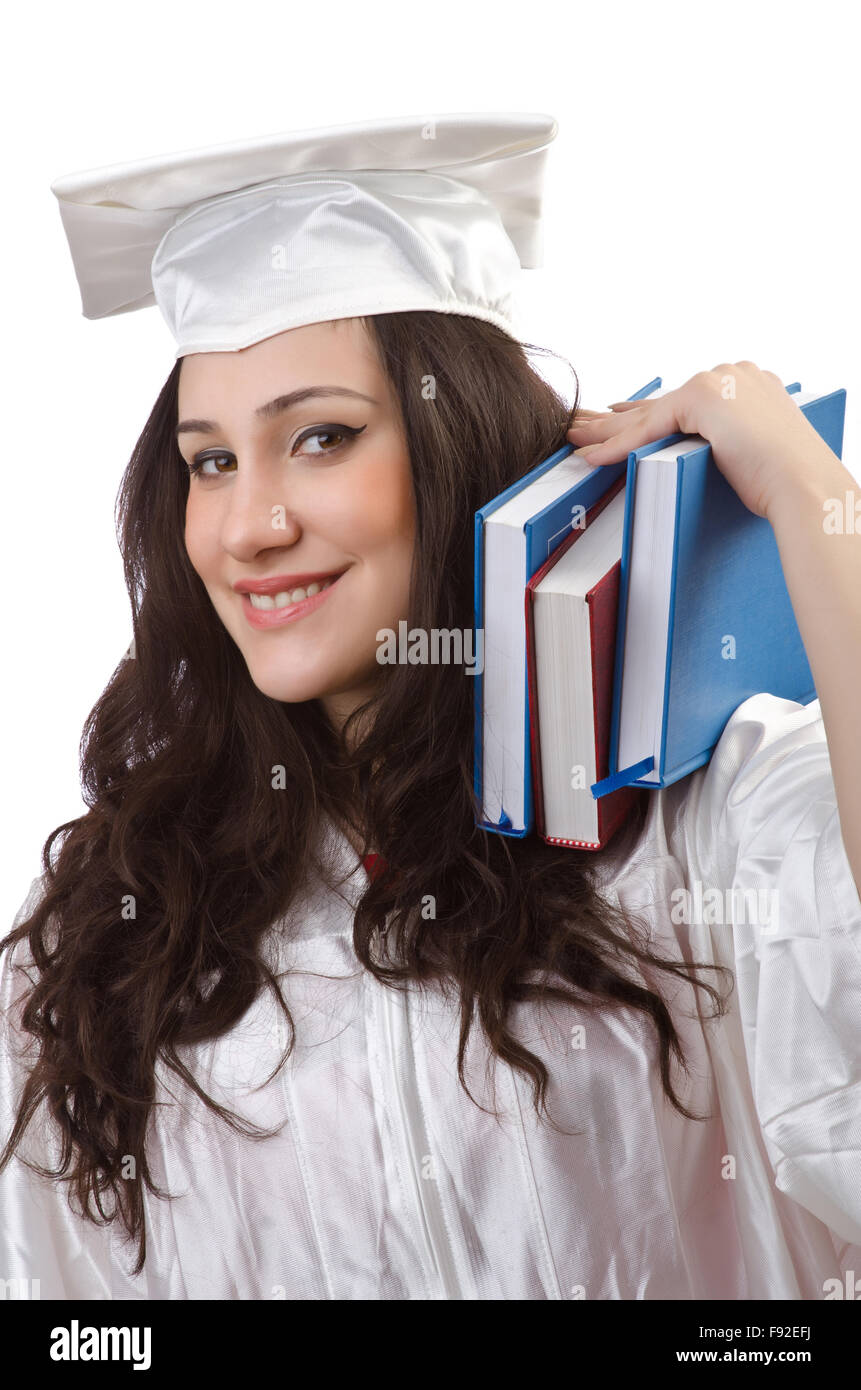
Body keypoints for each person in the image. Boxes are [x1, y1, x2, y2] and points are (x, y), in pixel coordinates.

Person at [1, 113, 859, 1301]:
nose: (250, 526)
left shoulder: (697, 823)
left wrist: (816, 500)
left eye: (321, 438)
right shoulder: (115, 925)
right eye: (210, 461)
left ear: (453, 446)